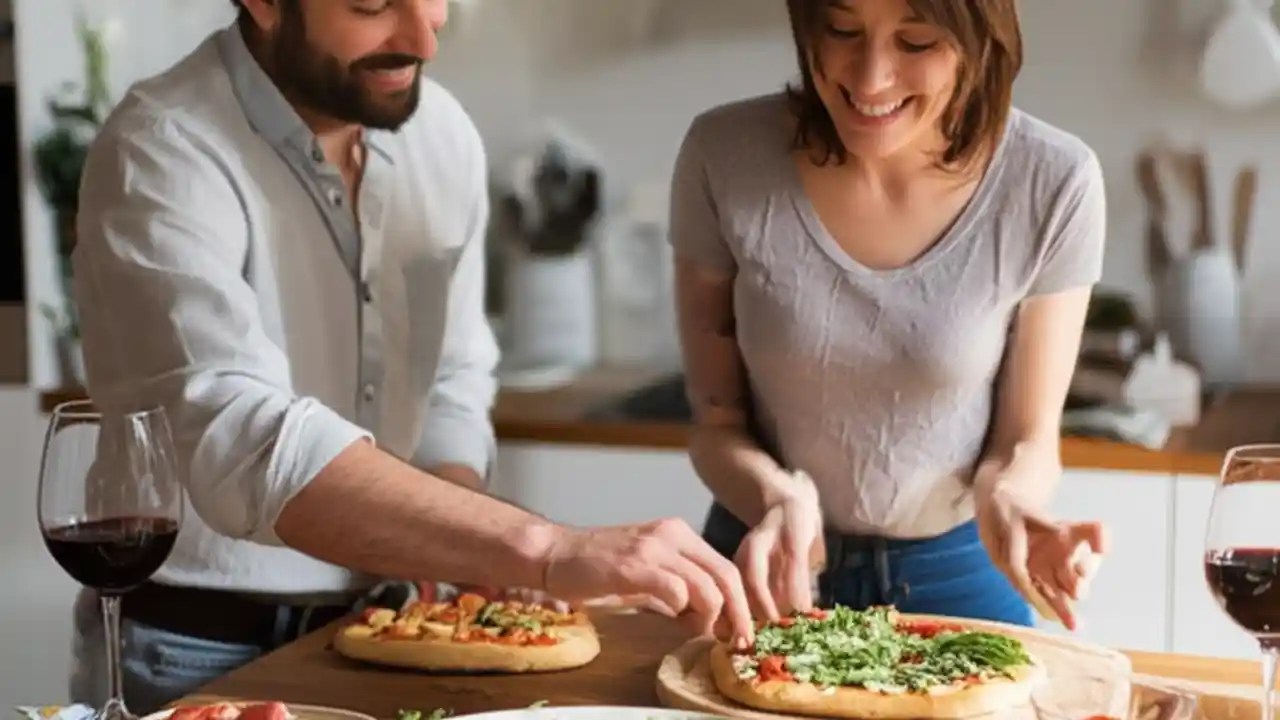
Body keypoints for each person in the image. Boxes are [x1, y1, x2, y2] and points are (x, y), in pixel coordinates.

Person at [68, 0, 752, 713]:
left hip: (406, 626)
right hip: (199, 650)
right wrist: (541, 549)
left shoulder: (440, 134)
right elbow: (241, 438)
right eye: (373, 4)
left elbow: (451, 377)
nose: (423, 36)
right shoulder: (161, 149)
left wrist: (465, 549)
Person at [669, 0, 1109, 631]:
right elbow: (715, 422)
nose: (870, 78)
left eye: (917, 41)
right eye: (843, 31)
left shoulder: (1054, 181)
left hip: (959, 571)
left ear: (979, 41)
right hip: (763, 563)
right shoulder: (723, 156)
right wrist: (775, 496)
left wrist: (1011, 501)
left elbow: (1026, 439)